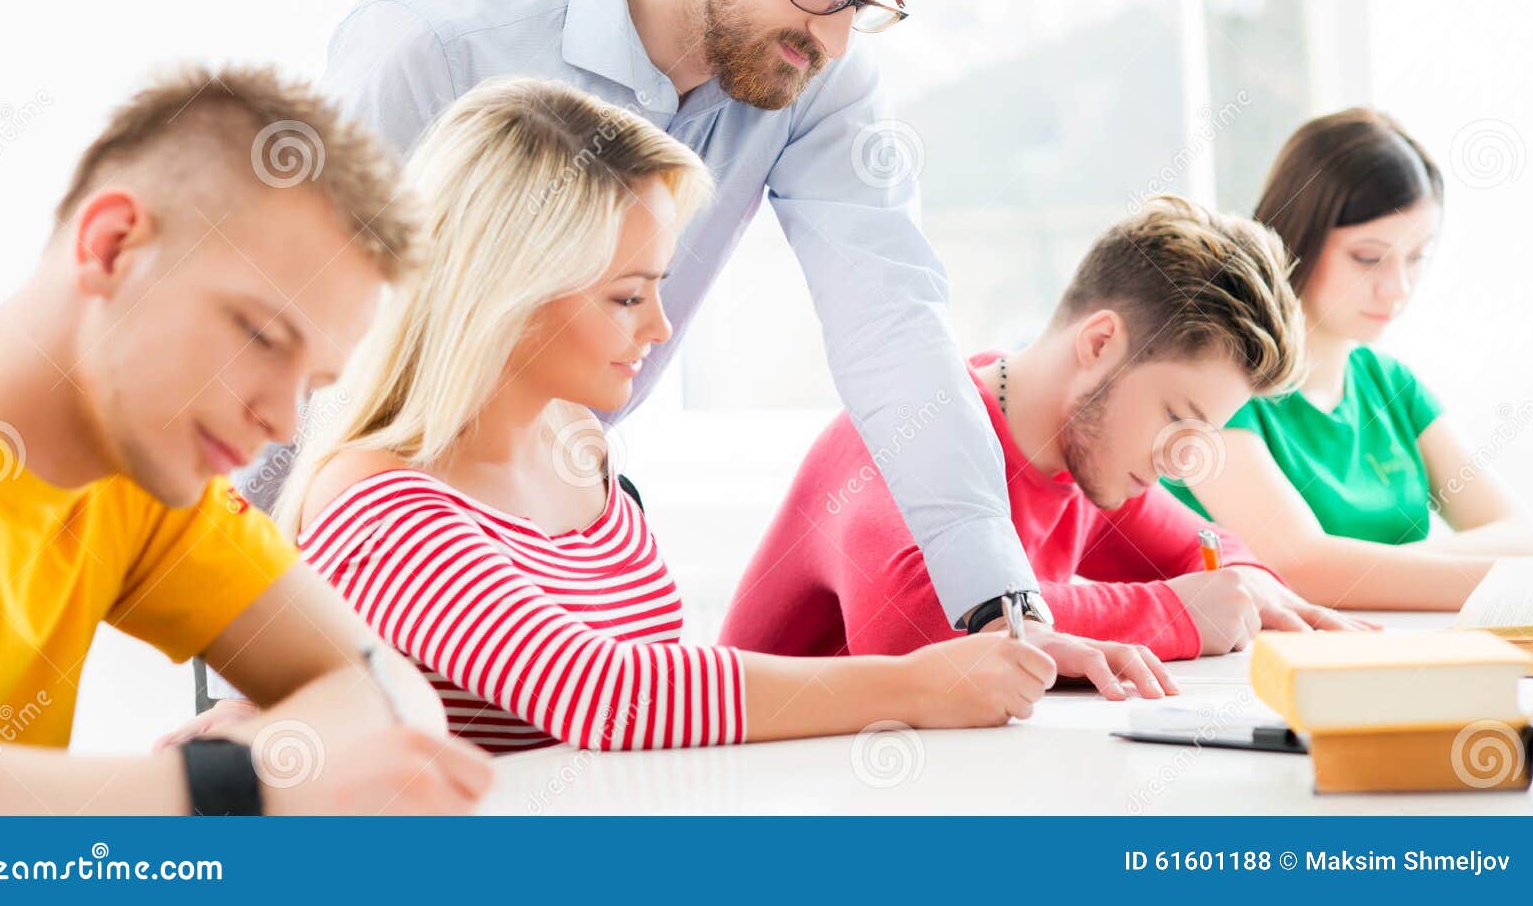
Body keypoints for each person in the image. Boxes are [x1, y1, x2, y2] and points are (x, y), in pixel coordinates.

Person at [265, 0, 1079, 656]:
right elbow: (297, 340)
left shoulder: (817, 72)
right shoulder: (433, 43)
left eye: (868, 5)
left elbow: (891, 321)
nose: (834, 38)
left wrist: (1003, 606)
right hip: (353, 546)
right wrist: (255, 666)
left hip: (563, 525)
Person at [271, 77, 1058, 752]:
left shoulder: (575, 439)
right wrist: (909, 689)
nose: (658, 326)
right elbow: (606, 695)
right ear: (504, 295)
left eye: (657, 284)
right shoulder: (374, 503)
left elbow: (663, 695)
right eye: (626, 296)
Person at [0, 65, 492, 814]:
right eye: (263, 336)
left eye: (312, 382)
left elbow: (389, 694)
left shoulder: (144, 483)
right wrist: (232, 783)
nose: (282, 422)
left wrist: (265, 759)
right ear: (111, 246)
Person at [720, 197, 1370, 684]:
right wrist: (1171, 613)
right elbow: (922, 624)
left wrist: (1248, 583)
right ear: (1098, 344)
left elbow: (1203, 548)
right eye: (1176, 415)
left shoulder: (1086, 459)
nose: (1179, 460)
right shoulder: (913, 421)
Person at [1167, 109, 1533, 608]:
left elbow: (1521, 531)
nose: (1397, 288)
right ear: (1296, 237)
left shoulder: (1388, 383)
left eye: (1416, 257)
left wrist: (1386, 569)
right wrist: (1490, 579)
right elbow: (1300, 568)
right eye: (1368, 258)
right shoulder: (1223, 386)